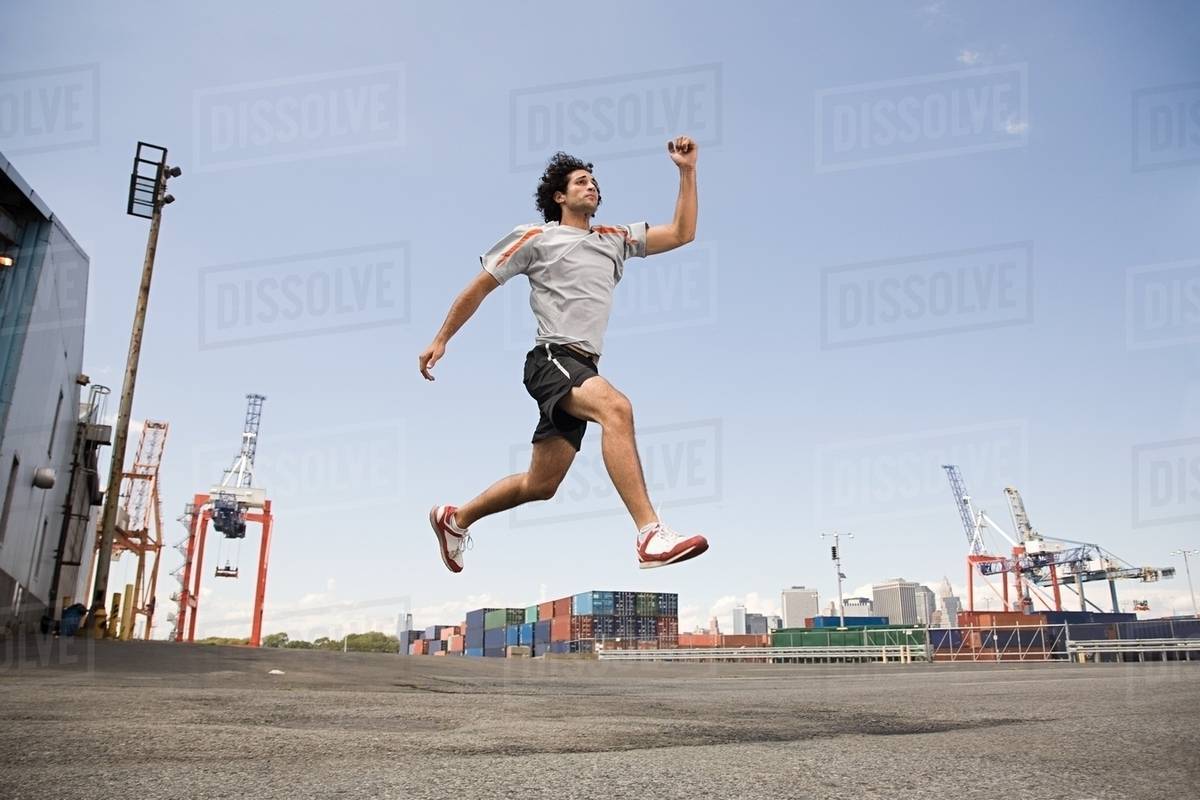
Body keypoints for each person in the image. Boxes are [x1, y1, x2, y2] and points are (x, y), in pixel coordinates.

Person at [419, 136, 709, 573]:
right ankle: (649, 534)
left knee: (541, 484)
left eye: (594, 181)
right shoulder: (535, 238)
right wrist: (442, 338)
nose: (591, 186)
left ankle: (455, 520)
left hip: (583, 367)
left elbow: (683, 233)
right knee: (617, 408)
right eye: (580, 181)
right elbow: (478, 287)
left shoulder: (615, 238)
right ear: (560, 196)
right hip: (552, 360)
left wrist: (686, 171)